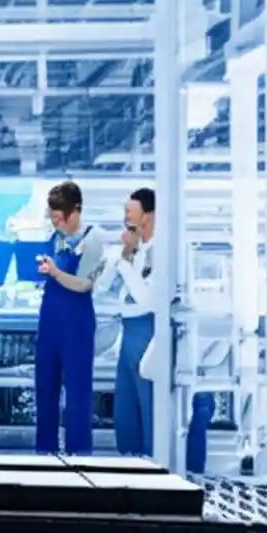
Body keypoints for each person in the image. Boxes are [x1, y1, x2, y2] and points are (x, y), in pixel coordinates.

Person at [35, 181, 107, 455]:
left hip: (76, 323)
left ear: (75, 211)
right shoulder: (55, 239)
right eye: (51, 218)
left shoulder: (93, 239)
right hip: (50, 320)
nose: (55, 223)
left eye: (58, 218)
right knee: (45, 388)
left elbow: (83, 284)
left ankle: (79, 456)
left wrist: (54, 273)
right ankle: (45, 454)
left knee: (77, 393)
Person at [112, 187, 157, 457]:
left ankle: (153, 463)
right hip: (128, 333)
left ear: (147, 216)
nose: (126, 215)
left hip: (148, 333)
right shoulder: (136, 250)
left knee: (148, 405)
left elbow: (146, 298)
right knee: (126, 410)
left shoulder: (160, 252)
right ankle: (130, 461)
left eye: (131, 210)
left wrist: (125, 265)